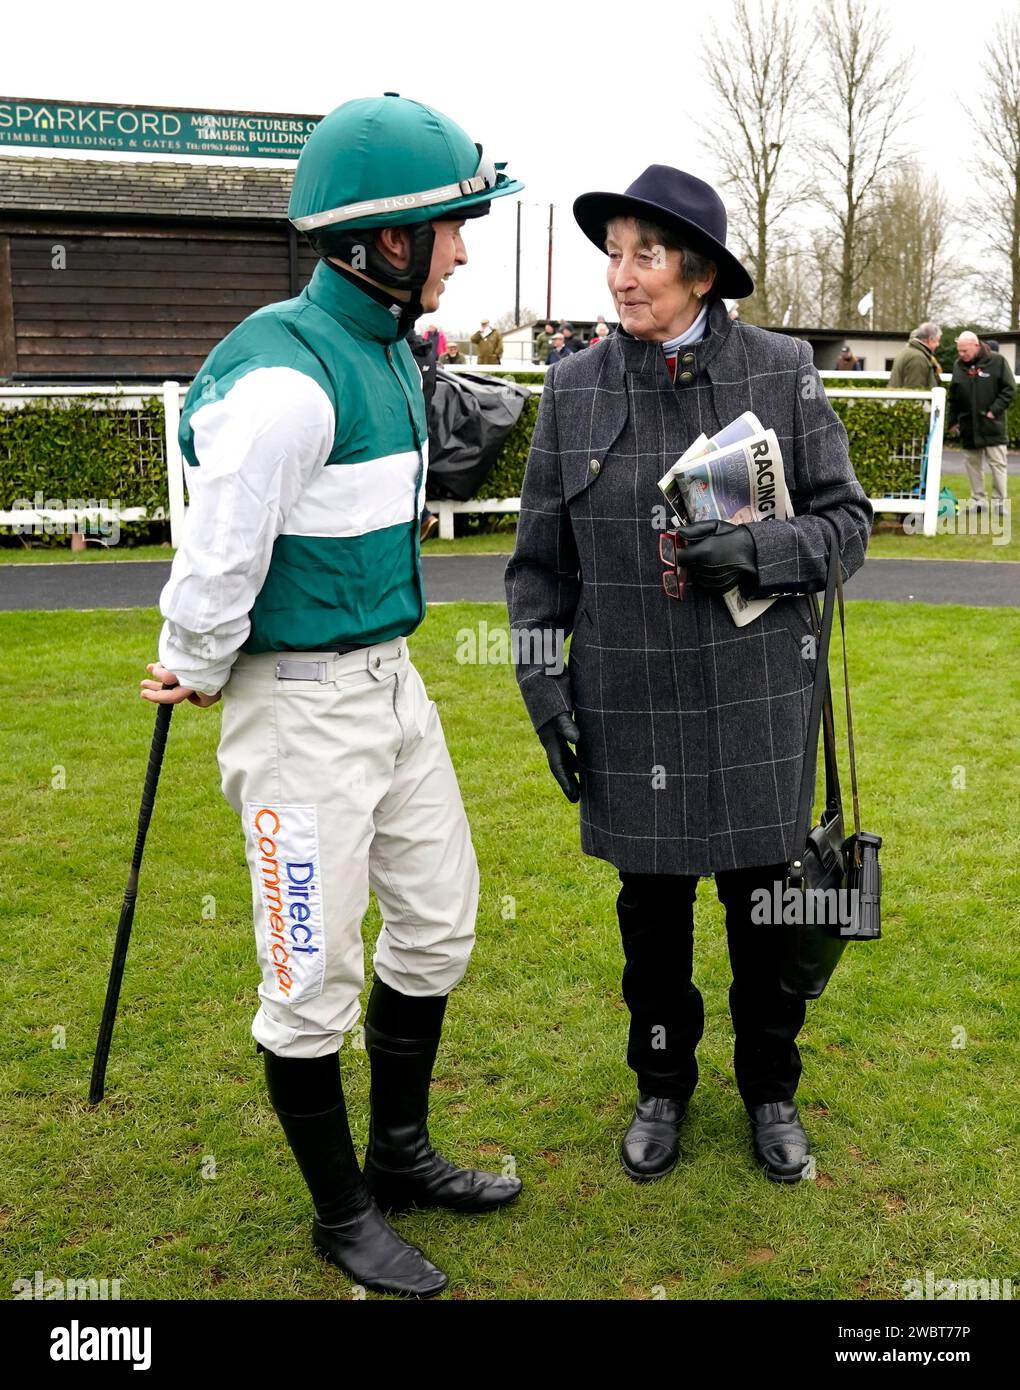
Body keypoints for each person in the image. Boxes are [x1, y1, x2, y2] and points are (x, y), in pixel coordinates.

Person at [140, 94, 523, 1299]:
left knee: (440, 918)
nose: (465, 248)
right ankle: (341, 1211)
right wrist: (194, 661)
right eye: (452, 227)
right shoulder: (289, 380)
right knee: (310, 979)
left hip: (392, 686)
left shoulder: (389, 353)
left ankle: (400, 1153)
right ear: (387, 244)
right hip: (297, 708)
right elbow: (217, 551)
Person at [505, 164, 872, 1187]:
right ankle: (660, 1084)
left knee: (767, 913)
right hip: (628, 708)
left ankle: (773, 1091)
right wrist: (546, 697)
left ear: (702, 273)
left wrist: (759, 554)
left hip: (757, 705)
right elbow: (537, 568)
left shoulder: (782, 370)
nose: (622, 276)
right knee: (652, 921)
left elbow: (849, 528)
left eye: (647, 255)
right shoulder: (574, 388)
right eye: (614, 252)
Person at [948, 330, 1015, 511]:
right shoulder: (958, 365)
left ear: (976, 346)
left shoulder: (997, 362)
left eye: (965, 351)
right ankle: (978, 501)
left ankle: (1000, 503)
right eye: (959, 351)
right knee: (972, 464)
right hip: (968, 426)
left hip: (993, 425)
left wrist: (994, 410)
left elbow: (1009, 389)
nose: (961, 355)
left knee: (997, 465)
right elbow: (953, 396)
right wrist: (952, 422)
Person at [888, 322, 942, 390]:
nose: (938, 344)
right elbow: (915, 391)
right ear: (930, 339)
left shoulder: (909, 352)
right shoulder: (918, 358)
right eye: (937, 340)